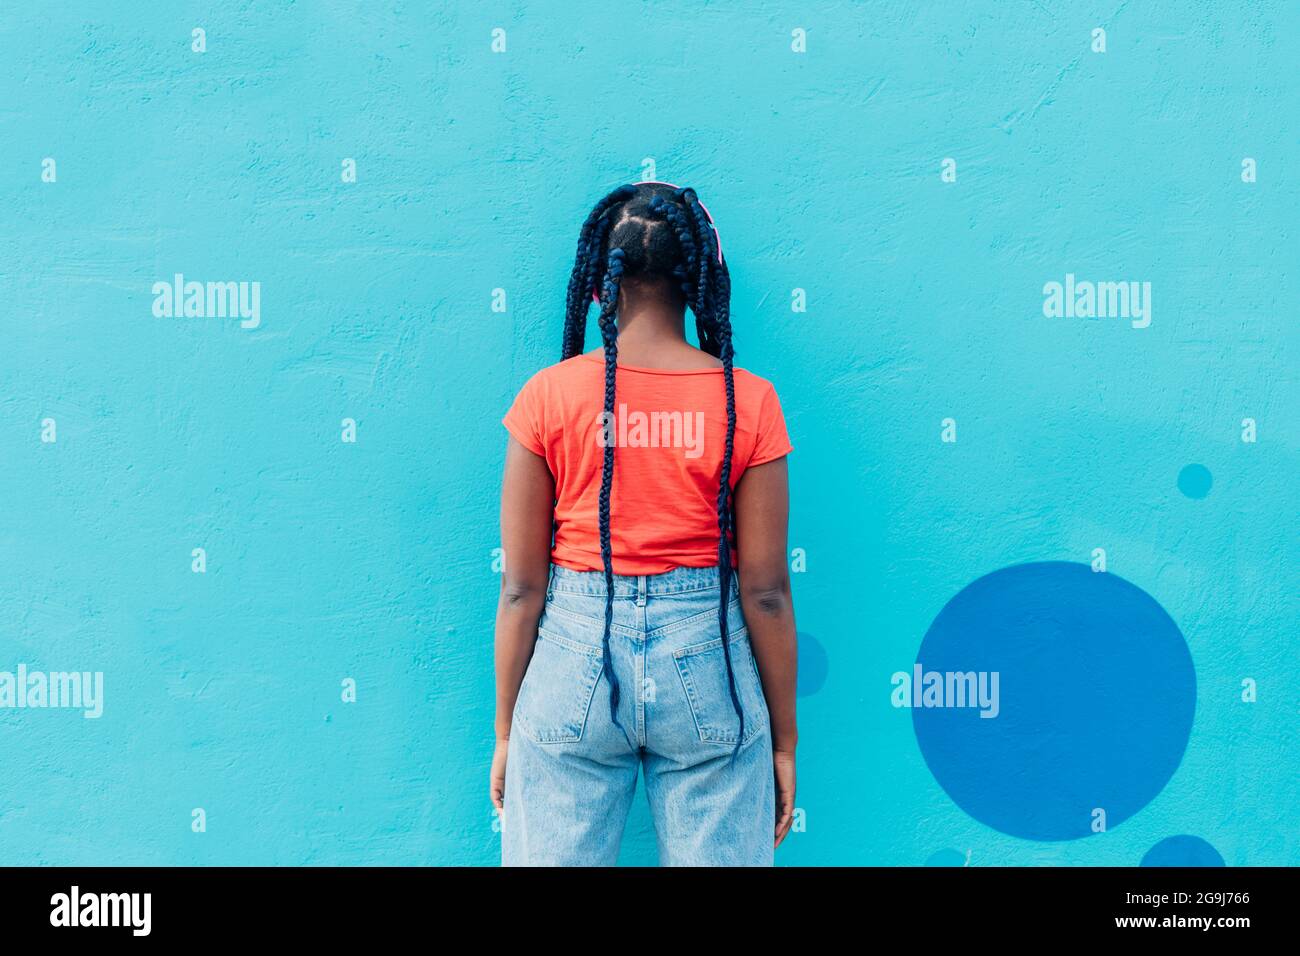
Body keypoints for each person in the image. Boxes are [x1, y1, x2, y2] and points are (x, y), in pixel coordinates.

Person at [491, 182, 797, 866]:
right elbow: (768, 590)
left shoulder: (549, 396)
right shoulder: (749, 401)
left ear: (599, 285)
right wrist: (782, 742)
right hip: (708, 660)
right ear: (698, 282)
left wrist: (508, 731)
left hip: (572, 657)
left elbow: (520, 588)